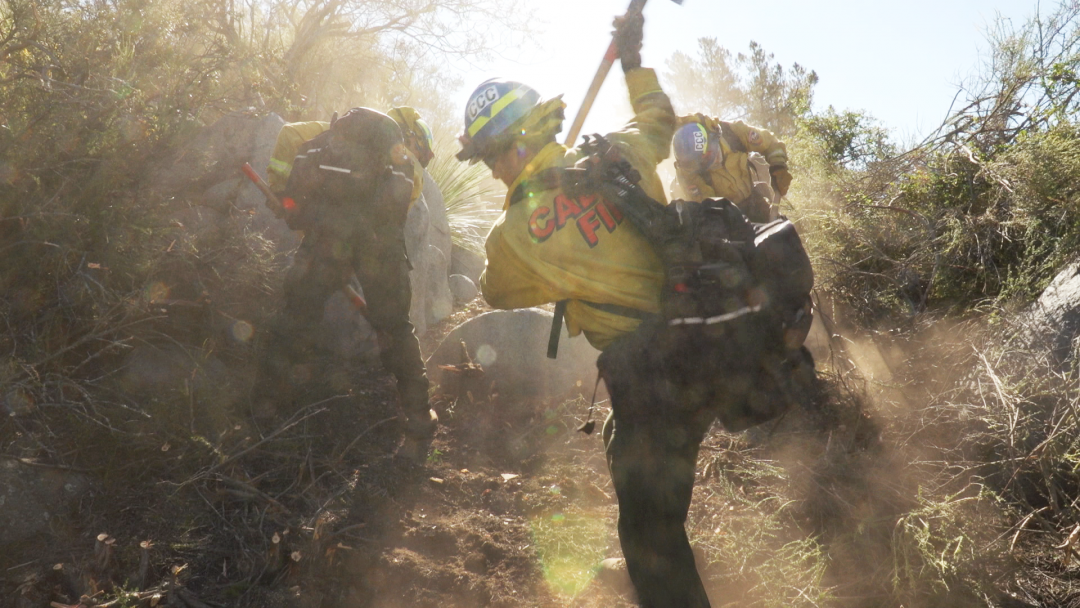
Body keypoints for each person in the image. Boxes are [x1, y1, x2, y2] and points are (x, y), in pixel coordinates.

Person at [458, 10, 735, 607]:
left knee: (648, 537)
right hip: (704, 339)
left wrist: (522, 202)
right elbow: (661, 120)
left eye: (490, 157)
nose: (492, 167)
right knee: (633, 455)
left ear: (502, 153)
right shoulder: (618, 153)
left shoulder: (513, 235)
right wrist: (634, 64)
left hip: (646, 372)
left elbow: (495, 291)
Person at [255, 108, 438, 462]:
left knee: (295, 315)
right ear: (409, 135)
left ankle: (267, 406)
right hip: (379, 244)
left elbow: (291, 134)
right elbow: (401, 205)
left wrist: (285, 198)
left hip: (326, 238)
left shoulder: (331, 131)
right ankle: (418, 416)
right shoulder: (401, 158)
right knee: (397, 327)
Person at [671, 115, 792, 223]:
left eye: (707, 157)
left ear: (713, 140)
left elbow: (770, 143)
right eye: (700, 163)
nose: (713, 161)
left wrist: (779, 166)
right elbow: (707, 213)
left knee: (784, 233)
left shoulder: (732, 133)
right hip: (726, 222)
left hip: (754, 201)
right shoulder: (687, 174)